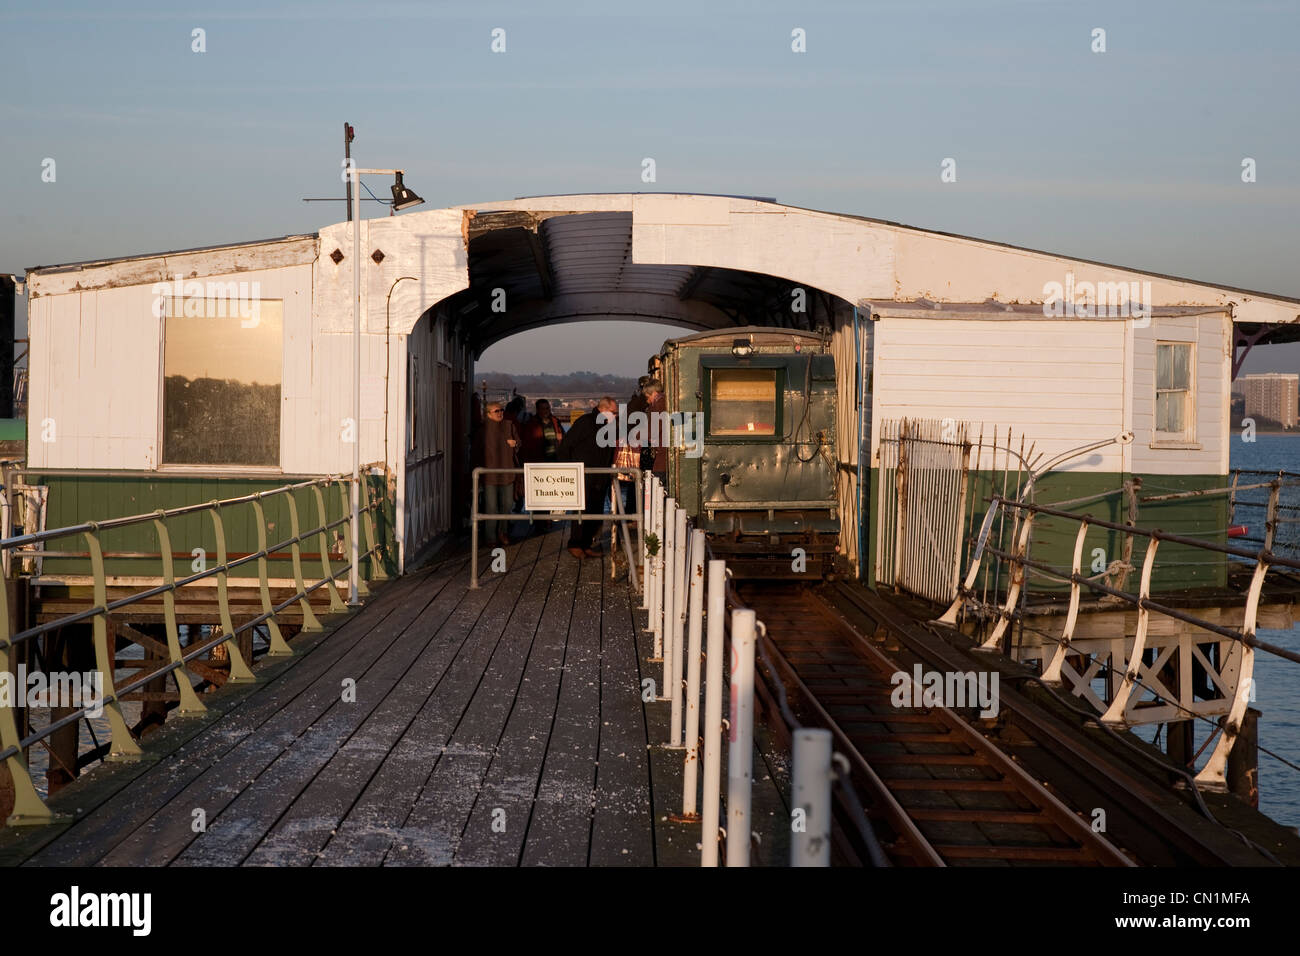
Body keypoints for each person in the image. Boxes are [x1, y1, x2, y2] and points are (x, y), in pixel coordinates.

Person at [560, 396, 618, 558]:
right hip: (583, 473)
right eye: (613, 412)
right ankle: (575, 543)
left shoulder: (610, 426)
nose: (615, 416)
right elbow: (566, 445)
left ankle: (586, 543)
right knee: (581, 509)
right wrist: (569, 468)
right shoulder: (585, 422)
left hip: (601, 474)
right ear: (603, 409)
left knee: (596, 509)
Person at [481, 401, 519, 546]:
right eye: (496, 411)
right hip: (489, 474)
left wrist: (515, 444)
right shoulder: (483, 429)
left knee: (508, 504)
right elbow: (476, 452)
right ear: (488, 414)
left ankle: (502, 532)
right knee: (491, 507)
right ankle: (491, 537)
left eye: (501, 410)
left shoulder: (509, 425)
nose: (500, 413)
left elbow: (519, 443)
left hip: (507, 472)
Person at [521, 398, 566, 464]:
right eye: (543, 409)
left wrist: (562, 437)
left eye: (547, 408)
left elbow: (565, 437)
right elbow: (527, 445)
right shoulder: (531, 424)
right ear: (537, 410)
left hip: (555, 459)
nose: (546, 411)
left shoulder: (555, 422)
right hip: (539, 461)